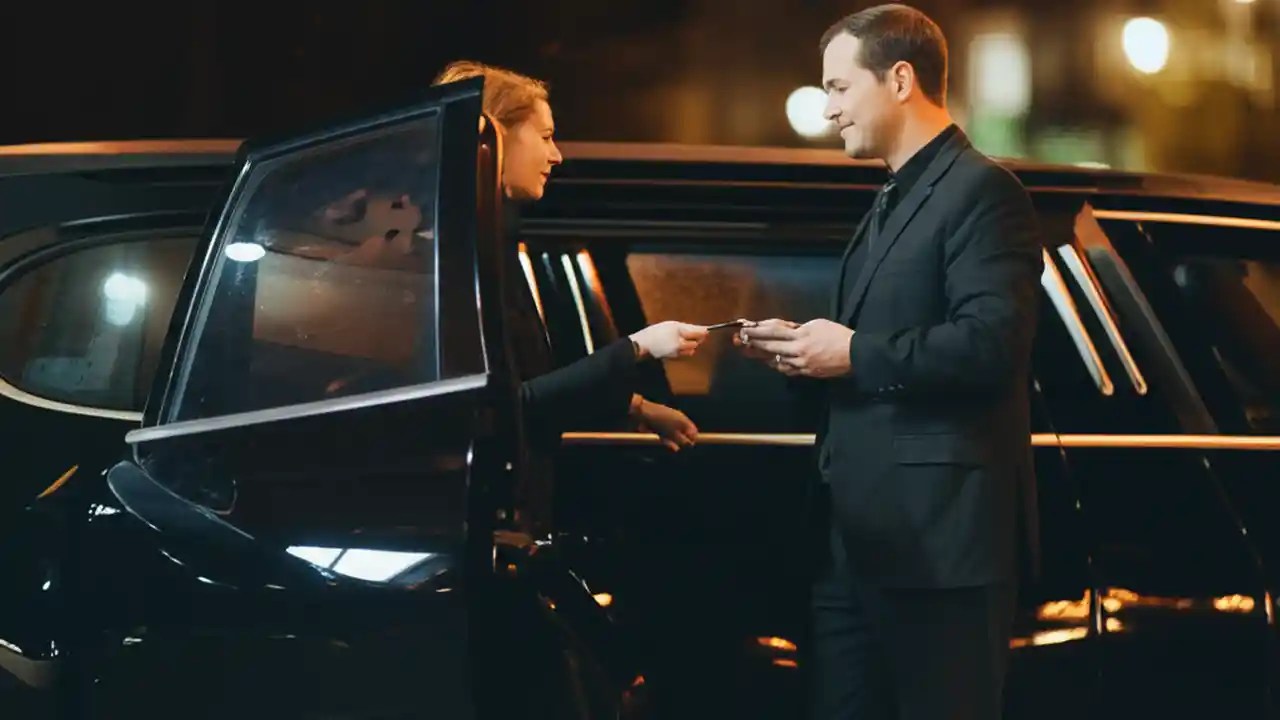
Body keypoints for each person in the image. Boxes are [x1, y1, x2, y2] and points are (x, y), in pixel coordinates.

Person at [736, 5, 1043, 719]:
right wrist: (806, 352)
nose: (828, 109)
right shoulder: (892, 197)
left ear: (900, 80)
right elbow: (878, 343)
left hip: (941, 551)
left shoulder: (983, 191)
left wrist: (850, 353)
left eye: (839, 87)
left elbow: (992, 344)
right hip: (856, 546)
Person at [433, 60, 705, 452]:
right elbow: (505, 412)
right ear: (493, 136)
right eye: (545, 136)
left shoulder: (491, 245)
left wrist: (635, 407)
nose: (556, 155)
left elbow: (529, 387)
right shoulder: (452, 259)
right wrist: (638, 347)